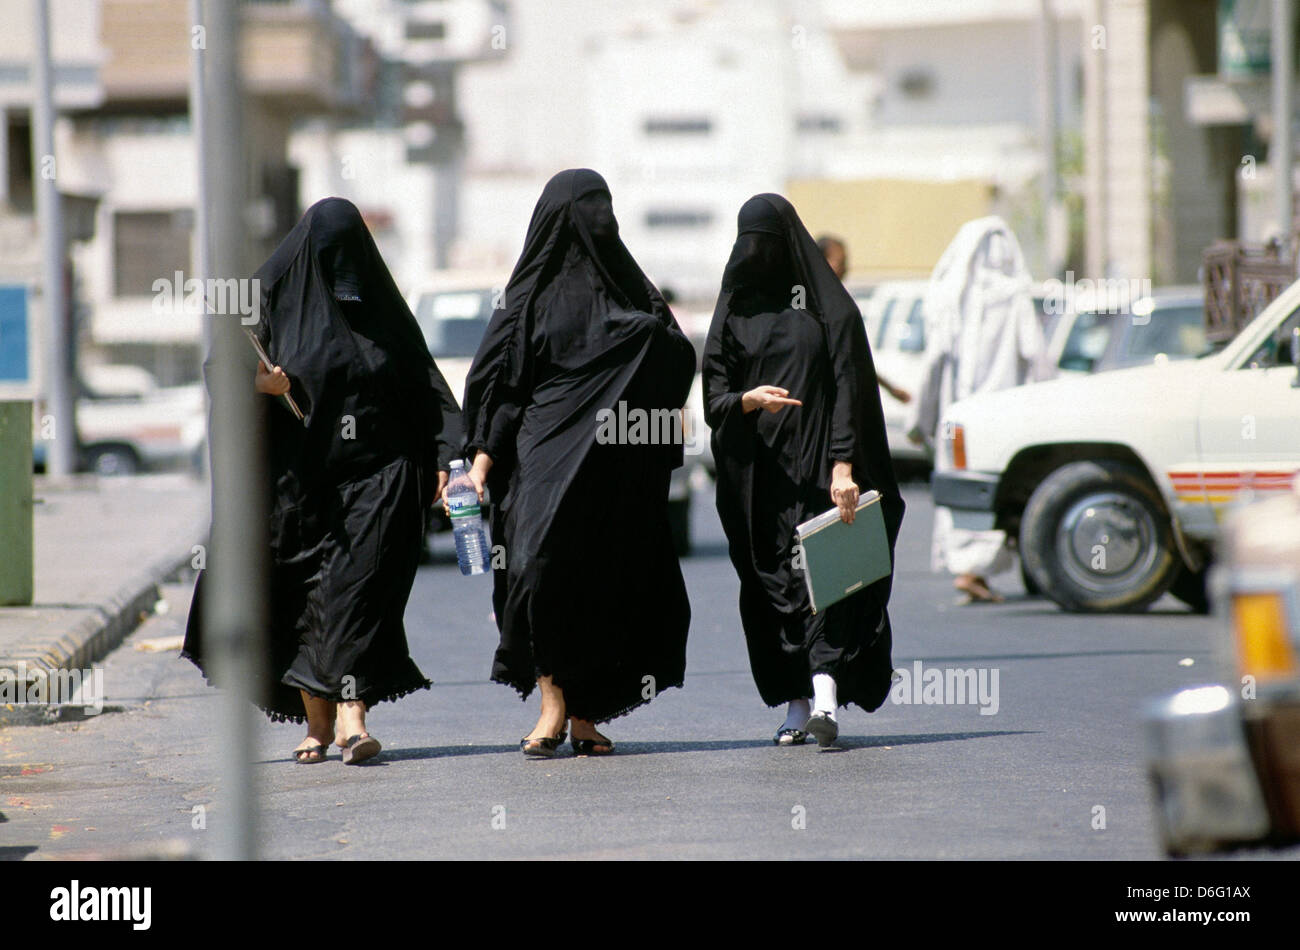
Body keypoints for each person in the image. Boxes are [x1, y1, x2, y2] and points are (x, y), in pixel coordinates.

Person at [182, 197, 463, 765]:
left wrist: (446, 455)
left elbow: (423, 381)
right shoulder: (268, 297)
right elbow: (224, 368)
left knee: (355, 596)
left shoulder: (381, 307)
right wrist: (258, 387)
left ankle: (352, 720)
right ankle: (316, 724)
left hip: (378, 479)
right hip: (295, 483)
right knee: (307, 600)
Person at [459, 168, 696, 757]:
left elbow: (675, 355)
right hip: (539, 463)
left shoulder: (629, 292)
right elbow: (502, 389)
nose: (601, 218)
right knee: (537, 569)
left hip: (613, 469)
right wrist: (482, 466)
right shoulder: (528, 299)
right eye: (588, 207)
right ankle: (552, 702)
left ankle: (587, 712)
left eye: (606, 206)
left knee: (604, 581)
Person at [704, 195, 905, 748]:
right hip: (757, 480)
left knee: (827, 583)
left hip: (821, 469)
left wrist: (844, 465)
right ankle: (795, 705)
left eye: (764, 240)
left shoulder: (827, 311)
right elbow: (713, 398)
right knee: (775, 589)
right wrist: (748, 400)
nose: (755, 254)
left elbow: (850, 389)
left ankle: (825, 702)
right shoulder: (734, 310)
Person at [905, 216, 1046, 604]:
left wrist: (920, 418)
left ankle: (968, 567)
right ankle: (977, 569)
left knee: (962, 487)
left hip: (956, 420)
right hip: (1004, 414)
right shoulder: (1015, 296)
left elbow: (933, 363)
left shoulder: (949, 296)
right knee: (1000, 484)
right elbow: (1035, 355)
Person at [817, 232, 911, 405]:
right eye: (841, 262)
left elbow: (855, 353)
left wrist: (890, 388)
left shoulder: (839, 301)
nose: (846, 268)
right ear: (822, 261)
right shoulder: (813, 303)